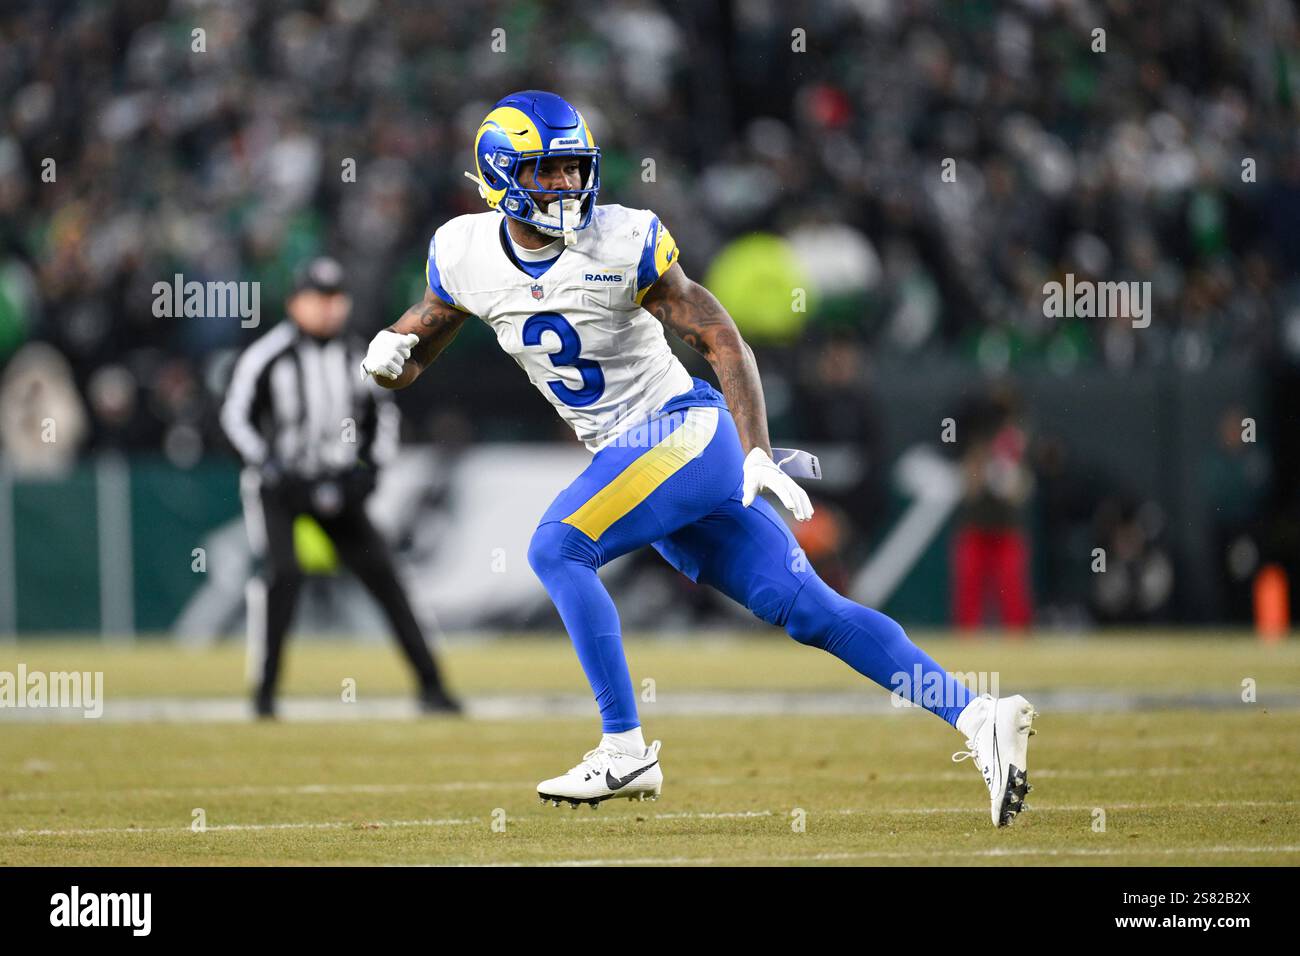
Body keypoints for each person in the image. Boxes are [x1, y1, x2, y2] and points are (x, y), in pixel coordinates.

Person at [361, 91, 1035, 826]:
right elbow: (416, 345)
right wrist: (388, 359)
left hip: (682, 432)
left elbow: (721, 338)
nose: (567, 186)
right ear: (501, 177)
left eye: (573, 169)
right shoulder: (460, 252)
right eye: (547, 172)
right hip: (640, 457)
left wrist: (755, 451)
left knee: (558, 548)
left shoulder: (624, 239)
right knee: (810, 611)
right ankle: (980, 718)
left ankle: (624, 750)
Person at [222, 257, 459, 719]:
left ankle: (433, 687)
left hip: (340, 486)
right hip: (282, 489)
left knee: (387, 580)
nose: (328, 309)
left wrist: (368, 472)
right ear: (295, 303)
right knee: (283, 576)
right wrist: (266, 464)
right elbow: (234, 417)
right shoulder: (267, 356)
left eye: (335, 299)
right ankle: (265, 695)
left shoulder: (358, 358)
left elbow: (382, 420)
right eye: (317, 299)